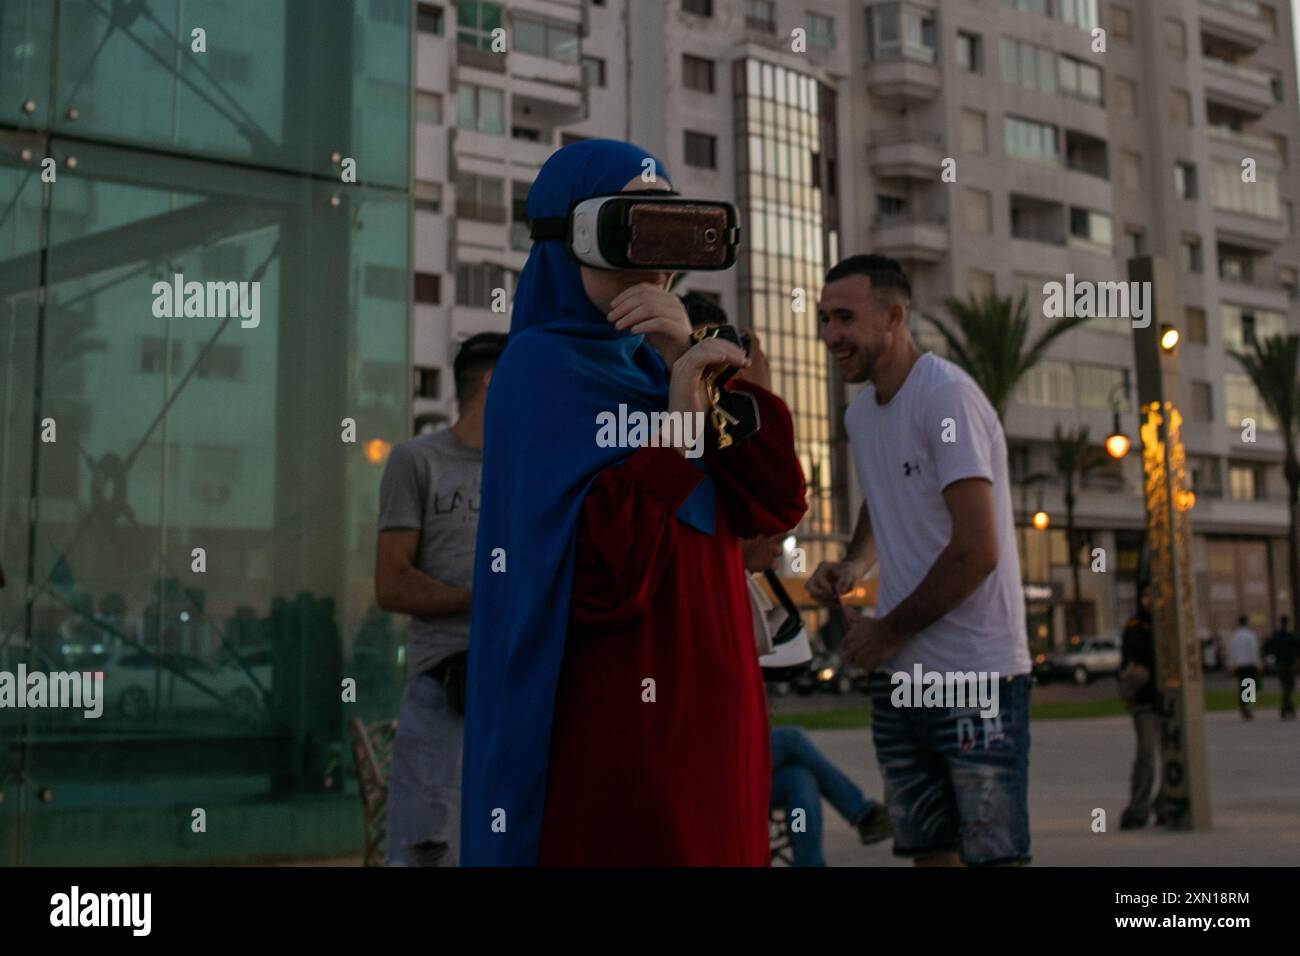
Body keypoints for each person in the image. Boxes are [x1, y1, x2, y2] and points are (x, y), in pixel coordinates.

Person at [460, 139, 807, 866]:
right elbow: (592, 578)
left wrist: (695, 369)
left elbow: (778, 502)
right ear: (567, 241)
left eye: (671, 239)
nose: (652, 269)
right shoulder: (534, 370)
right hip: (616, 720)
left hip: (719, 713)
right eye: (626, 238)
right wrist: (678, 422)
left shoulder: (684, 356)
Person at [808, 254, 1033, 867]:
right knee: (929, 854)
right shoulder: (861, 414)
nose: (830, 334)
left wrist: (887, 632)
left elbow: (976, 551)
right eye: (825, 319)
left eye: (845, 318)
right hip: (902, 684)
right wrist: (853, 567)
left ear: (895, 316)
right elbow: (885, 501)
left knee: (994, 858)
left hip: (977, 677)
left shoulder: (947, 399)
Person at [374, 332, 506, 866]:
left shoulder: (526, 471)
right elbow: (392, 584)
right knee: (428, 852)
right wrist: (488, 597)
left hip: (517, 690)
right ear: (494, 383)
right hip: (442, 692)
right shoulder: (416, 461)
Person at [740, 533, 891, 866]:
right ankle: (862, 813)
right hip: (713, 761)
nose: (780, 550)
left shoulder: (744, 590)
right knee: (792, 739)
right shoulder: (720, 587)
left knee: (800, 780)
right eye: (773, 539)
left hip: (739, 755)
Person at [1117, 583, 1167, 829]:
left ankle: (1165, 804)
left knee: (1171, 755)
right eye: (1145, 595)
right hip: (1145, 699)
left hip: (1166, 698)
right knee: (1146, 755)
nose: (1149, 600)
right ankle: (1138, 808)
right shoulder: (1135, 626)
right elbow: (1132, 658)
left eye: (1153, 595)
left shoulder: (1165, 622)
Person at [1263, 616, 1298, 719]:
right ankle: (1286, 708)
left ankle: (1288, 708)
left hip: (1280, 663)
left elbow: (1266, 647)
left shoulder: (1276, 636)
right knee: (1289, 687)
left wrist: (1271, 655)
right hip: (1289, 664)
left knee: (1285, 686)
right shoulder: (1290, 636)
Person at [1228, 615, 1261, 720]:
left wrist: (1232, 664)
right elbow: (1253, 650)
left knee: (1242, 686)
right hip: (1249, 664)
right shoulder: (1250, 635)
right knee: (1250, 685)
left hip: (1239, 665)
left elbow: (1231, 651)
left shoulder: (1234, 636)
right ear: (1246, 623)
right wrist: (1257, 663)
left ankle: (1243, 706)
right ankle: (1248, 707)